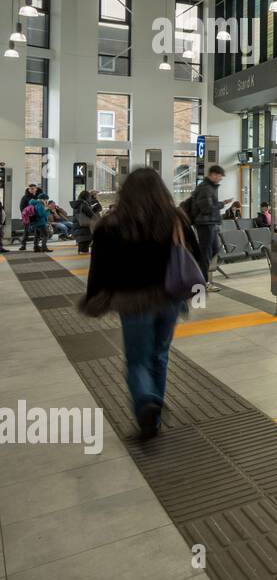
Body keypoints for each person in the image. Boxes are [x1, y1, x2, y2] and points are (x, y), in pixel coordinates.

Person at [78, 167, 203, 440]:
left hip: (132, 302)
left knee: (137, 360)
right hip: (169, 299)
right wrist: (196, 289)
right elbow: (196, 254)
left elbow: (99, 267)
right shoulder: (175, 219)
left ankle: (146, 400)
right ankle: (153, 415)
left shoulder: (112, 224)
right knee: (160, 355)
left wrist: (95, 297)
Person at [188, 165, 230, 283]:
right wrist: (221, 204)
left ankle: (198, 271)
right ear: (213, 174)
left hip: (210, 223)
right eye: (219, 176)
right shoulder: (205, 188)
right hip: (205, 224)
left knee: (214, 249)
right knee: (206, 253)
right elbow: (207, 208)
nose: (220, 179)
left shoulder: (210, 188)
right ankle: (202, 281)